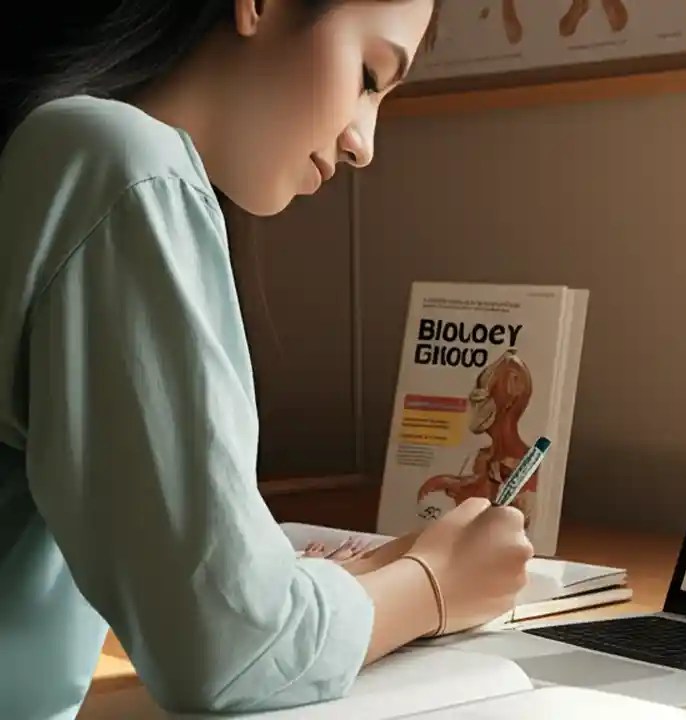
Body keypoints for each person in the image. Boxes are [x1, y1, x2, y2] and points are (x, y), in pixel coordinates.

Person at [0, 1, 534, 719]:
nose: (363, 144)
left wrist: (364, 574)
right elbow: (224, 646)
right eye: (370, 74)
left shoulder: (53, 149)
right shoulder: (116, 161)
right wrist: (433, 587)